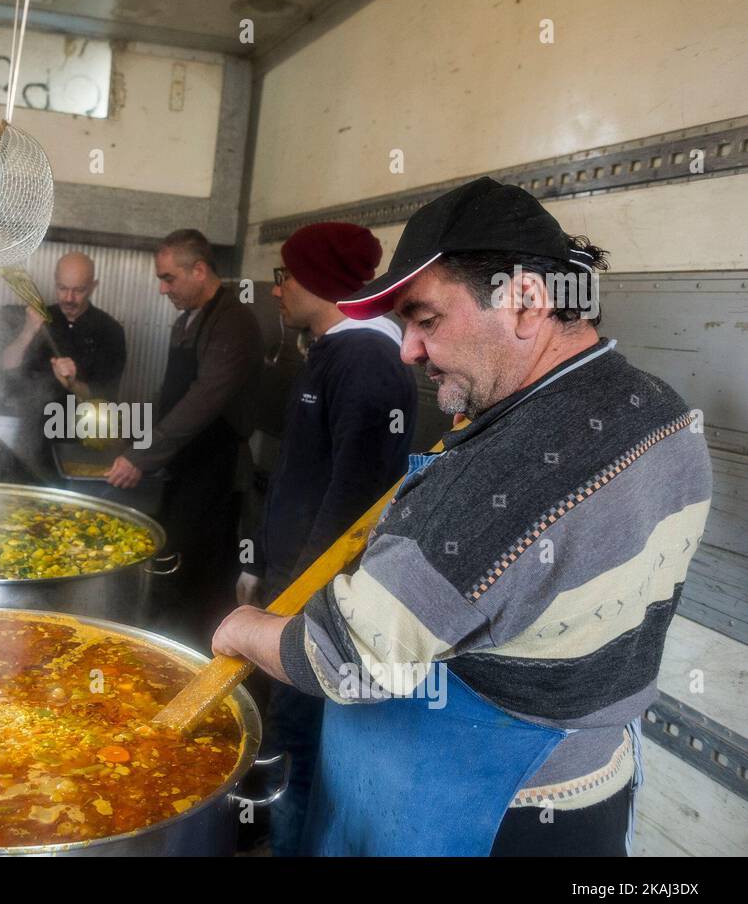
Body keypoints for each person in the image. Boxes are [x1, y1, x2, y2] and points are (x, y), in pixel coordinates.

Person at [211, 177, 712, 856]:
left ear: (527, 303)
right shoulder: (664, 408)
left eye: (426, 320)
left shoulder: (497, 479)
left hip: (490, 813)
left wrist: (241, 628)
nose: (409, 351)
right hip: (596, 786)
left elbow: (345, 661)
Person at [239, 221, 417, 856]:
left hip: (317, 602)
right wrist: (260, 560)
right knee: (288, 740)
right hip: (292, 586)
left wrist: (295, 604)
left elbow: (352, 507)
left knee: (301, 752)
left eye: (284, 275)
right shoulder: (330, 353)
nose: (277, 289)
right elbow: (297, 472)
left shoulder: (368, 361)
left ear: (317, 280)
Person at [108, 229, 263, 644]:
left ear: (199, 270)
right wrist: (134, 439)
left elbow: (204, 399)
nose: (162, 288)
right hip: (182, 465)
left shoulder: (234, 321)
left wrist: (142, 457)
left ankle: (202, 659)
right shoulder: (187, 320)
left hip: (215, 470)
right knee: (172, 560)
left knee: (203, 572)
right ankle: (162, 640)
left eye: (168, 278)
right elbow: (169, 395)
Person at [1, 252, 126, 403]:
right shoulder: (38, 318)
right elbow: (6, 368)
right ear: (55, 281)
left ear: (93, 287)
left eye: (79, 290)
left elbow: (105, 397)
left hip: (79, 424)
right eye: (62, 288)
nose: (69, 298)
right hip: (32, 421)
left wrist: (73, 384)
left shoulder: (111, 331)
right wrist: (28, 331)